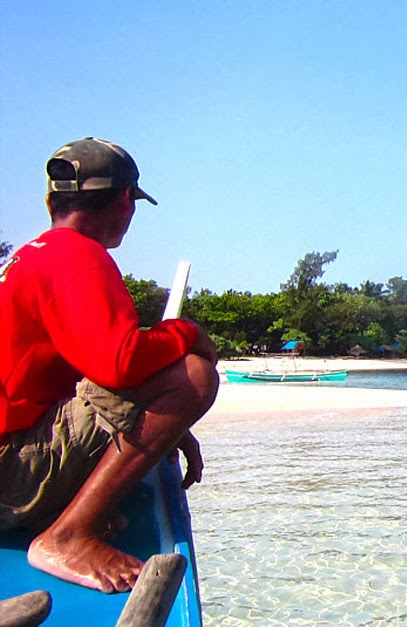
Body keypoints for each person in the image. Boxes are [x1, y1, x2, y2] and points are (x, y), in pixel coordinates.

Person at [0, 138, 219, 593]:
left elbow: (85, 366)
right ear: (125, 202)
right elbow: (119, 363)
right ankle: (67, 536)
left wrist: (171, 429)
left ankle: (70, 518)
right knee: (194, 374)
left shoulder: (28, 257)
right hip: (12, 479)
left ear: (50, 201)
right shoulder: (78, 254)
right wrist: (191, 335)